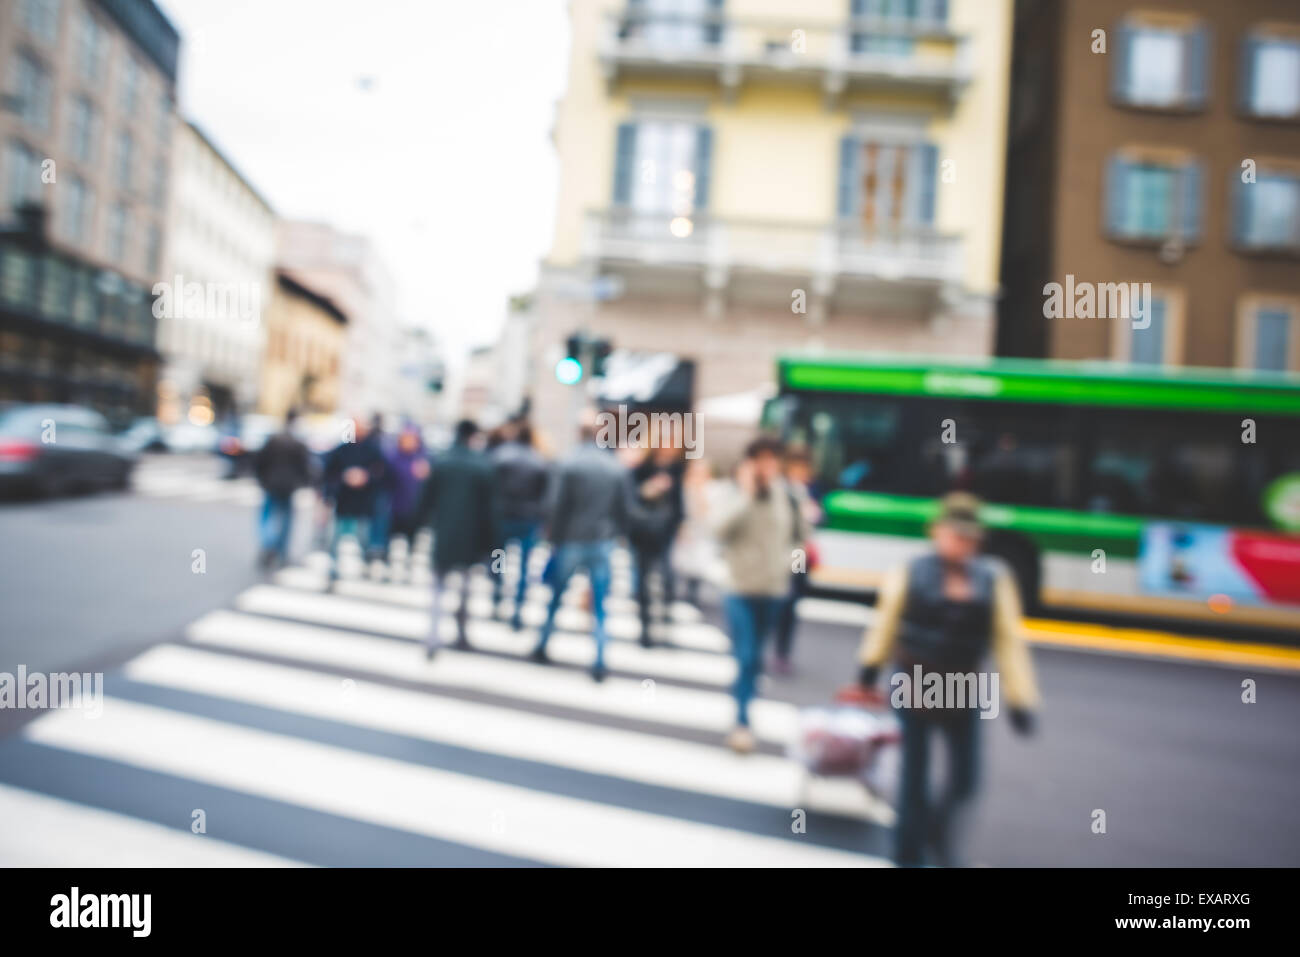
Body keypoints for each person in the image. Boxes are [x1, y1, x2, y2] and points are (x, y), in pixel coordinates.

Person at [856, 492, 1040, 868]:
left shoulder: (993, 578)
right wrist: (870, 667)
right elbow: (886, 620)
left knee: (966, 780)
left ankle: (936, 834)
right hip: (916, 680)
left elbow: (1008, 640)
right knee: (914, 779)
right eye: (955, 535)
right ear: (937, 532)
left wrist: (1020, 699)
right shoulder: (912, 570)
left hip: (965, 686)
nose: (962, 544)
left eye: (970, 537)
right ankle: (907, 853)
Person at [712, 436, 810, 753]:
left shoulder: (791, 496)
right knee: (747, 654)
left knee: (755, 659)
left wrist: (790, 567)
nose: (767, 465)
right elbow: (718, 530)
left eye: (772, 459)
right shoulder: (736, 492)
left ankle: (744, 697)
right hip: (739, 587)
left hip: (774, 589)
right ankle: (742, 721)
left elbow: (801, 540)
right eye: (761, 459)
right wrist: (747, 495)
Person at [530, 415, 637, 682]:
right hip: (602, 541)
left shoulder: (568, 463)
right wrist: (619, 535)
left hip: (571, 540)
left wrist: (552, 538)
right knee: (600, 604)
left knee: (556, 597)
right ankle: (600, 657)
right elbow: (625, 509)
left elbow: (555, 505)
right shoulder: (615, 467)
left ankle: (543, 643)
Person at [418, 419, 497, 656]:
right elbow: (490, 511)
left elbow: (425, 501)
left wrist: (415, 527)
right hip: (469, 540)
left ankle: (433, 637)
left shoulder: (441, 463)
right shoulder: (482, 466)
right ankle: (461, 632)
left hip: (444, 536)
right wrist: (492, 544)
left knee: (438, 590)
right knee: (464, 589)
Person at [489, 421, 550, 630]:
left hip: (503, 517)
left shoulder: (500, 456)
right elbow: (545, 495)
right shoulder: (539, 461)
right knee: (524, 566)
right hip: (528, 520)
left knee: (499, 558)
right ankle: (518, 608)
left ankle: (497, 594)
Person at [627, 440, 685, 647]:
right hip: (643, 533)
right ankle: (646, 628)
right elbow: (631, 497)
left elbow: (679, 503)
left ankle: (665, 624)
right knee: (642, 581)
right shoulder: (642, 468)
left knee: (668, 579)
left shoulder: (676, 470)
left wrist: (680, 525)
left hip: (664, 533)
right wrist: (650, 488)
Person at [771, 445, 821, 675]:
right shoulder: (779, 488)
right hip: (780, 550)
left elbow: (819, 517)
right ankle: (771, 647)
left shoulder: (810, 490)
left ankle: (782, 652)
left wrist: (813, 513)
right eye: (797, 466)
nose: (802, 471)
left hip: (800, 553)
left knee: (791, 602)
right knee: (778, 600)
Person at [322, 416, 388, 586]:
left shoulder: (373, 450)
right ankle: (333, 569)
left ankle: (366, 561)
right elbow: (329, 474)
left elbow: (383, 474)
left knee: (363, 538)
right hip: (343, 501)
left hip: (363, 503)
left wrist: (366, 478)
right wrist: (344, 479)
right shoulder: (342, 449)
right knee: (335, 539)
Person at [252, 408, 314, 569]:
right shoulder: (298, 442)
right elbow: (305, 467)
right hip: (289, 486)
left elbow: (260, 461)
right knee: (286, 520)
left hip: (271, 484)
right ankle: (280, 551)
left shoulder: (274, 439)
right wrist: (305, 482)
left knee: (267, 517)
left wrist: (261, 479)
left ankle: (268, 544)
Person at [384, 423, 432, 557]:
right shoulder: (392, 457)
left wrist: (427, 475)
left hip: (416, 510)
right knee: (394, 544)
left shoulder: (424, 459)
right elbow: (385, 480)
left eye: (412, 439)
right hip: (395, 507)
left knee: (414, 545)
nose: (409, 442)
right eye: (406, 438)